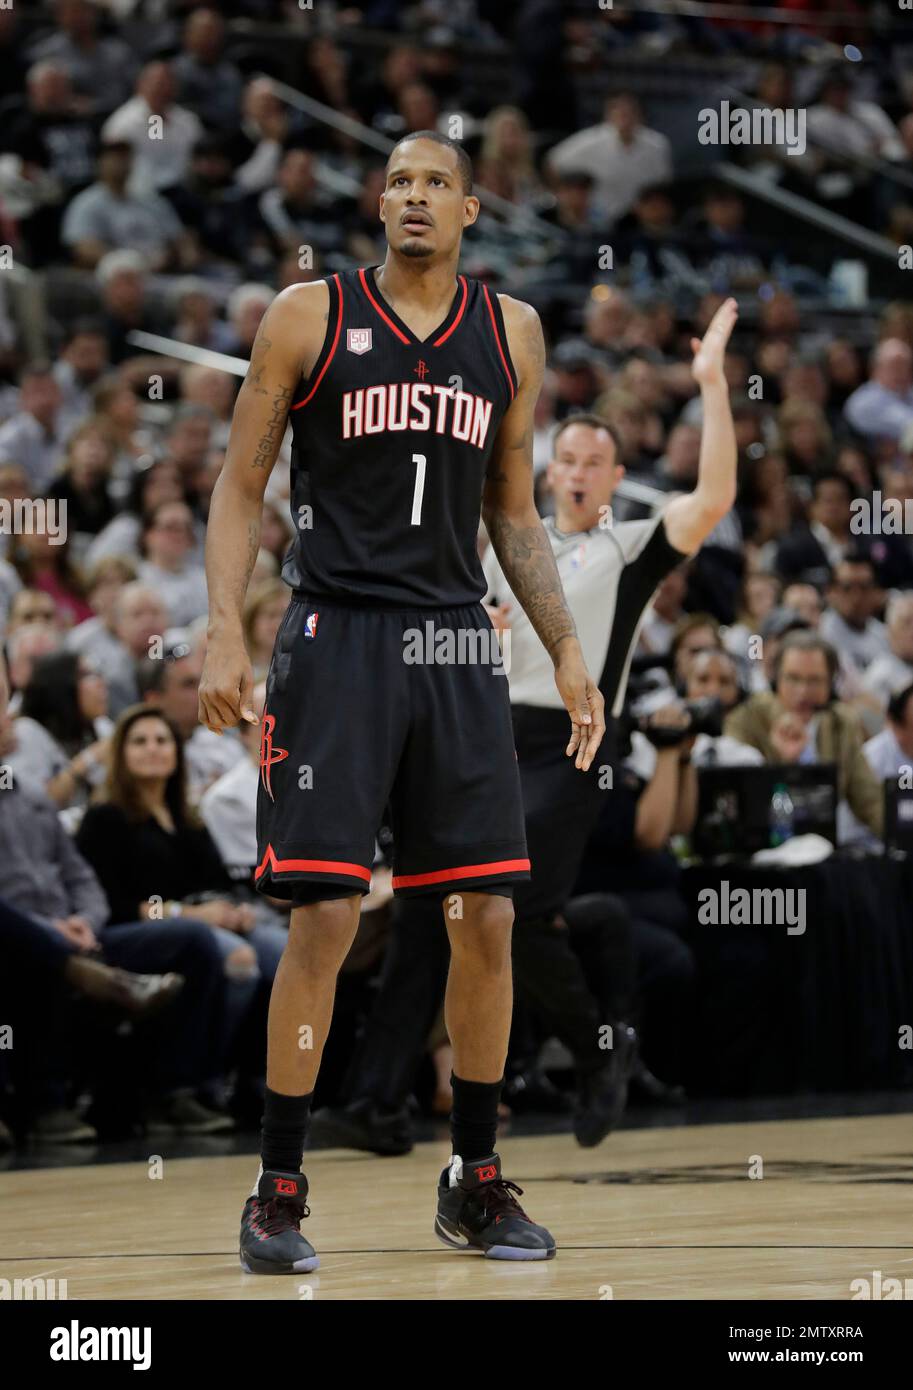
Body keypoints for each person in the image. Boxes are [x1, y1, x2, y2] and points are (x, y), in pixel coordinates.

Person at [198, 130, 607, 1270]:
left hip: (454, 643)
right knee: (327, 916)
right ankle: (278, 1185)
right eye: (397, 182)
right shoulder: (306, 314)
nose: (413, 196)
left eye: (435, 182)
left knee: (486, 916)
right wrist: (224, 626)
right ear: (377, 204)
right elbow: (237, 488)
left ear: (472, 209)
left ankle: (473, 1177)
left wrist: (567, 648)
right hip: (336, 634)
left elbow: (514, 513)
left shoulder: (510, 331)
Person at [724, 630, 884, 839]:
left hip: (823, 848)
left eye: (815, 680)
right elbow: (740, 803)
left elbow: (871, 803)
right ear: (776, 680)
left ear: (831, 684)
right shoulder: (745, 720)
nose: (803, 691)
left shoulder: (842, 723)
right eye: (793, 678)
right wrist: (785, 765)